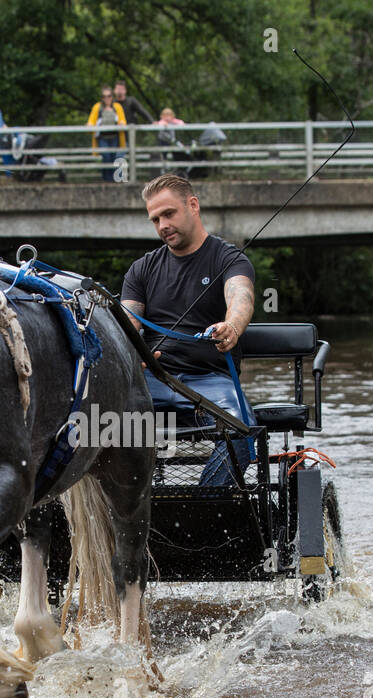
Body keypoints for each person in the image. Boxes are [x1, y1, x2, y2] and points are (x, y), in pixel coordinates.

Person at [121, 174, 257, 486]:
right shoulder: (141, 269)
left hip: (209, 381)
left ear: (192, 205)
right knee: (85, 424)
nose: (162, 225)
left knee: (240, 429)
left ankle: (201, 511)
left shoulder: (228, 258)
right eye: (155, 219)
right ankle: (125, 510)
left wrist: (232, 327)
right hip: (152, 380)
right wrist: (131, 352)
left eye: (169, 214)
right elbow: (127, 322)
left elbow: (241, 297)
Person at [87, 85, 127, 182]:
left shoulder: (117, 107)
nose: (107, 98)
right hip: (102, 137)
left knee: (115, 158)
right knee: (106, 157)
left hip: (115, 137)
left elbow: (123, 120)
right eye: (104, 96)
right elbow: (91, 121)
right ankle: (107, 180)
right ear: (102, 98)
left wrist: (121, 123)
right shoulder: (97, 107)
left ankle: (116, 180)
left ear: (112, 97)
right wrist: (90, 125)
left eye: (109, 96)